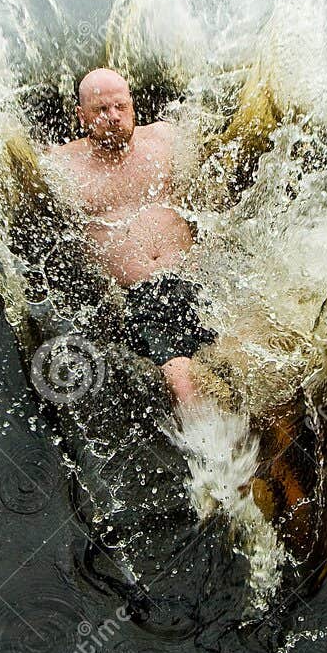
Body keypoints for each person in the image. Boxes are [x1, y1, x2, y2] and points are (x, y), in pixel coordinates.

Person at [45, 68, 213, 407]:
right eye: (101, 110)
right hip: (142, 297)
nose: (113, 117)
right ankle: (215, 457)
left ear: (132, 104)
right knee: (181, 379)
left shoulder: (166, 139)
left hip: (199, 280)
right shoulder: (61, 167)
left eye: (120, 106)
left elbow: (208, 191)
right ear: (82, 117)